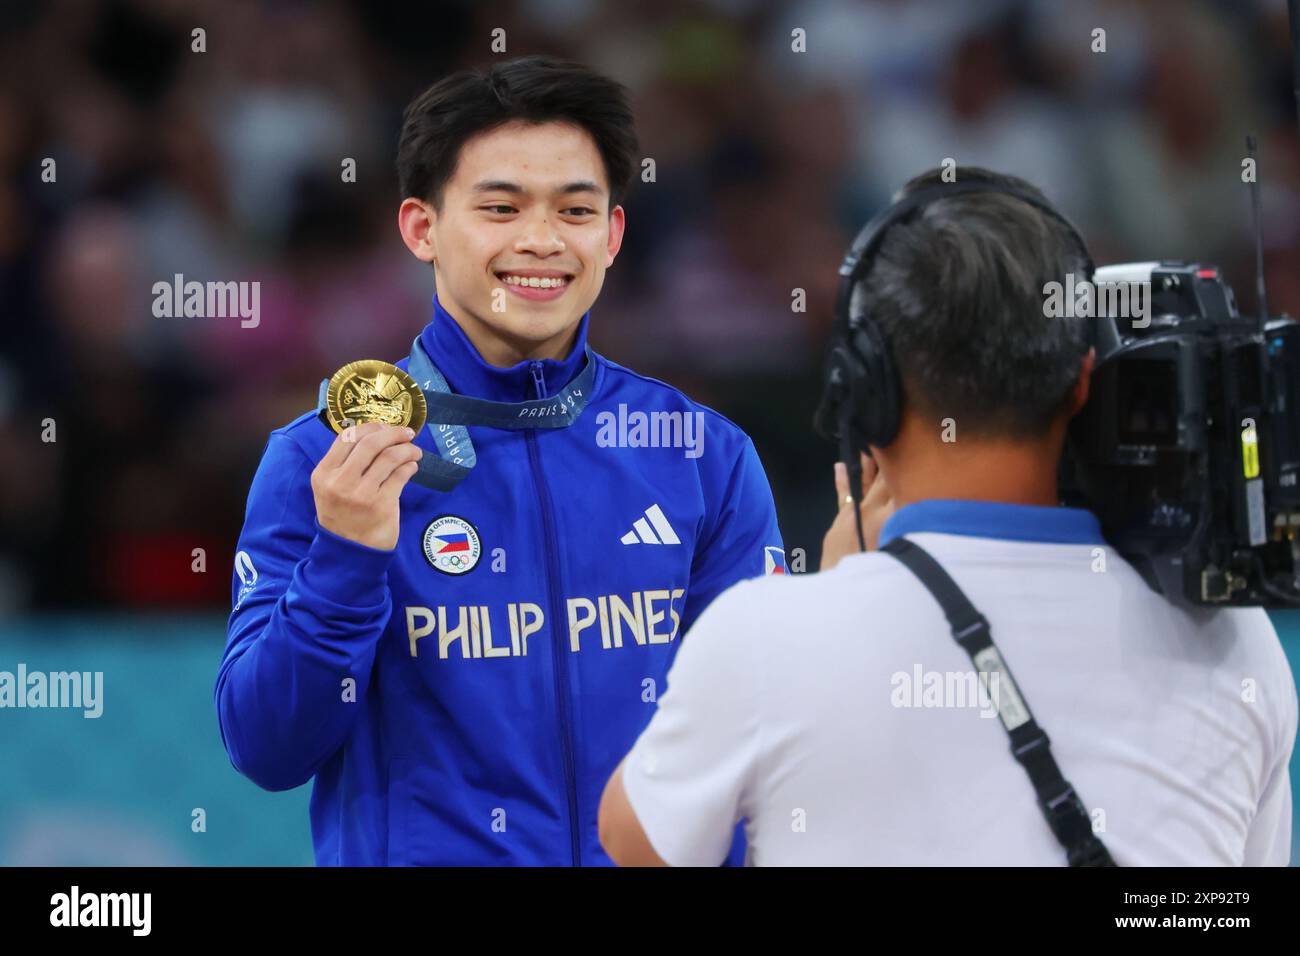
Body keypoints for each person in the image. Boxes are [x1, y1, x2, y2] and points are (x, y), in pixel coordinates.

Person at [598, 167, 1297, 866]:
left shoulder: (764, 635)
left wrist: (827, 592)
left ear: (865, 388)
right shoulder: (1236, 638)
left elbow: (637, 844)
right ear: (1086, 379)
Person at [214, 56, 784, 866]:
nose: (542, 241)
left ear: (613, 235)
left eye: (576, 210)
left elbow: (759, 741)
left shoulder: (701, 454)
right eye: (500, 207)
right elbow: (265, 749)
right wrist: (343, 557)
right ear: (421, 228)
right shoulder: (323, 459)